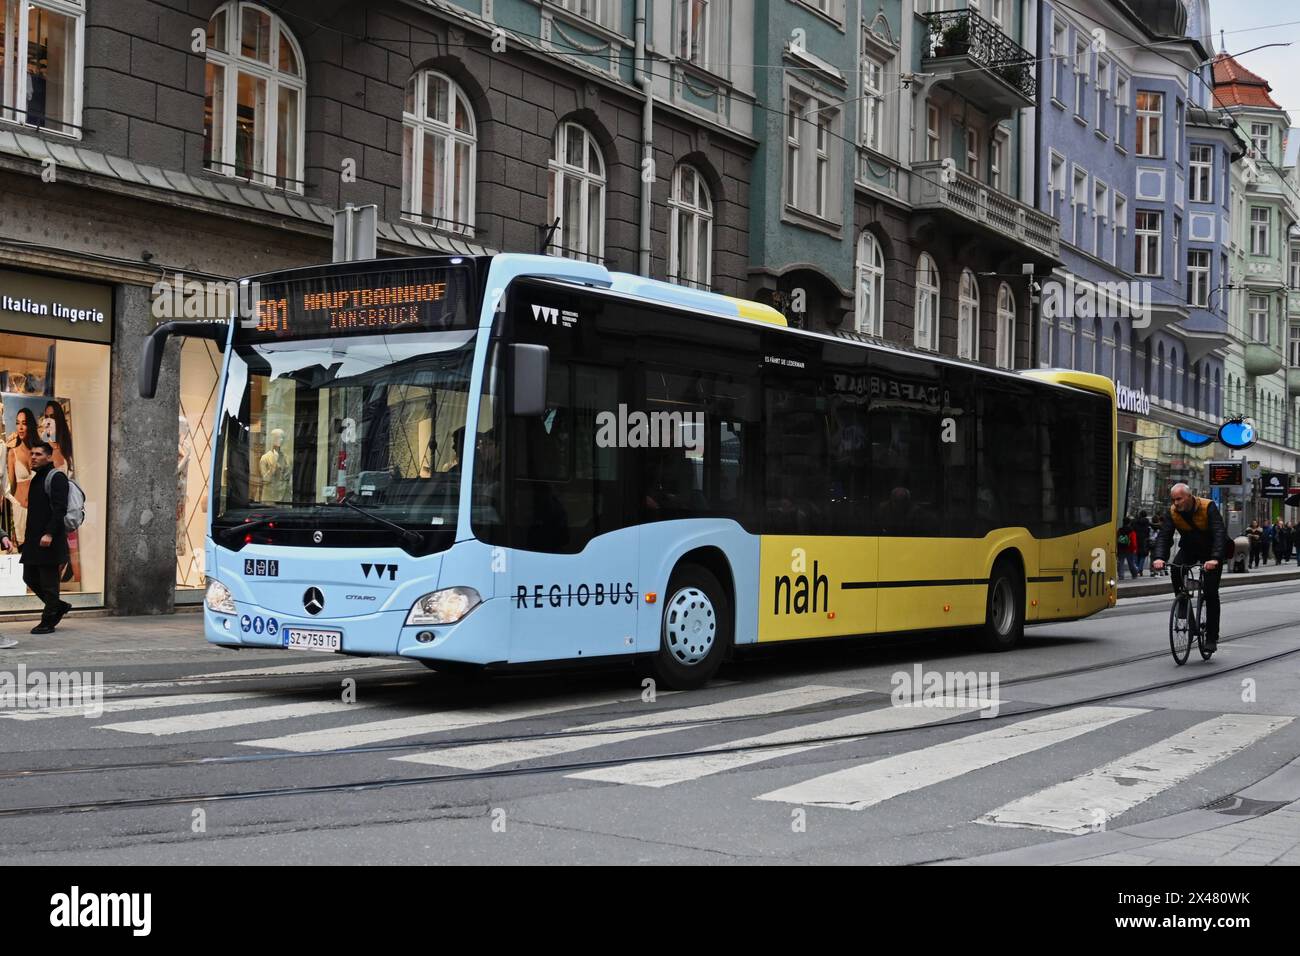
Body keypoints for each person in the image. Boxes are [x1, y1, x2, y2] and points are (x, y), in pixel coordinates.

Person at [1152, 483, 1229, 652]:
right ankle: (1183, 603)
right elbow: (1164, 536)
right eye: (1173, 499)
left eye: (1179, 499)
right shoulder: (1173, 511)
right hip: (1190, 548)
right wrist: (1158, 557)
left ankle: (1211, 637)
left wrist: (1215, 558)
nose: (1176, 503)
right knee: (1175, 569)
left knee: (1210, 593)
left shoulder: (1207, 506)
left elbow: (1219, 533)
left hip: (1211, 551)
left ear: (1189, 496)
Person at [21, 442, 72, 634]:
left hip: (49, 539)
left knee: (49, 583)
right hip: (34, 540)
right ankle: (58, 606)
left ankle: (48, 620)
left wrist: (50, 533)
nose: (33, 457)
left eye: (38, 454)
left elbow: (60, 508)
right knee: (30, 577)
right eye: (32, 454)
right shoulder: (37, 478)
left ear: (49, 457)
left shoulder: (56, 477)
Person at [258, 428, 291, 502]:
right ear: (272, 439)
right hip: (270, 498)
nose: (281, 440)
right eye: (279, 437)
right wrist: (274, 464)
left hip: (284, 498)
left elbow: (287, 478)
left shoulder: (286, 458)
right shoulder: (265, 458)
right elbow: (266, 479)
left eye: (283, 438)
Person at [1132, 510, 1151, 577]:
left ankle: (1136, 569)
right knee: (1142, 556)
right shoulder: (1147, 522)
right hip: (1144, 541)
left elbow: (1133, 529)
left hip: (1137, 540)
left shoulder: (1136, 521)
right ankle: (1140, 570)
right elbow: (1148, 532)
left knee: (1136, 555)